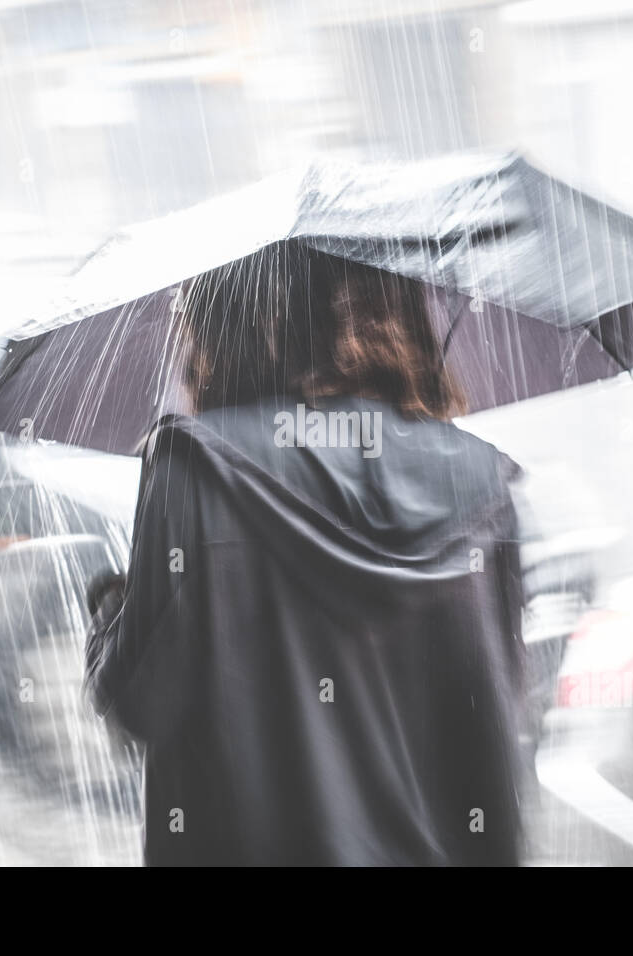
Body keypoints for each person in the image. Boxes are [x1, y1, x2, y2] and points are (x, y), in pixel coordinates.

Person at [83, 244, 529, 865]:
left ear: (228, 328)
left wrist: (112, 606)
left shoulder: (198, 470)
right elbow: (498, 711)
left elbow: (139, 697)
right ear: (393, 313)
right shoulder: (486, 482)